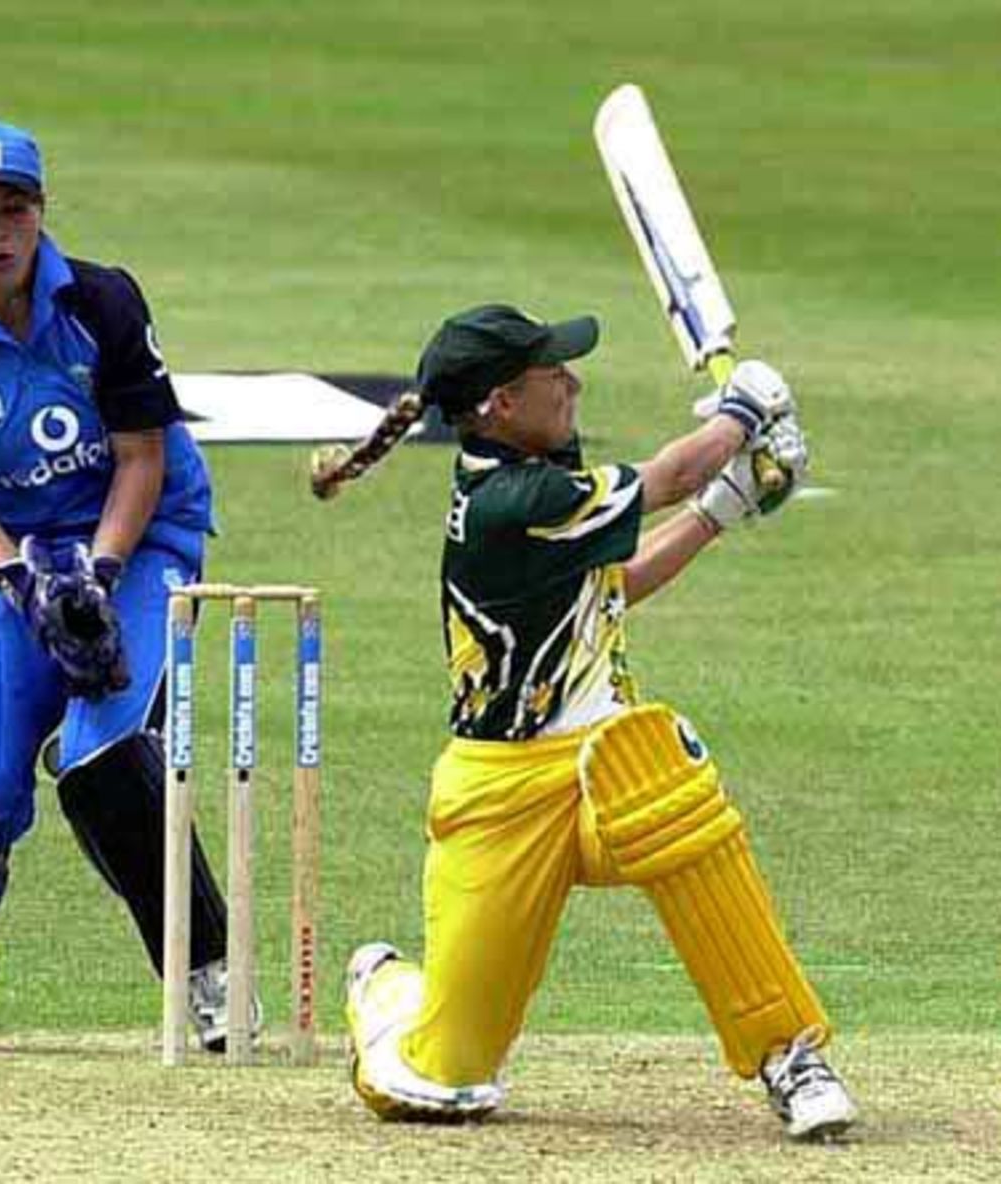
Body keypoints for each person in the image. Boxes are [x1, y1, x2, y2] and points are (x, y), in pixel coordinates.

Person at [311, 304, 856, 1141]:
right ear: (498, 404)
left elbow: (613, 587)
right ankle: (386, 992)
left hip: (604, 768)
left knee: (667, 785)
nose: (573, 381)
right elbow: (667, 475)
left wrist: (725, 504)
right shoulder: (510, 501)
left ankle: (788, 1052)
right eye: (550, 373)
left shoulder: (534, 478)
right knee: (440, 1087)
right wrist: (743, 415)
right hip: (500, 795)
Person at [0, 120, 252, 1052]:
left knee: (102, 760)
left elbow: (143, 461)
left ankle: (209, 972)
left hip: (141, 544)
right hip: (6, 559)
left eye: (14, 208)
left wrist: (98, 575)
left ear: (40, 212)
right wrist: (26, 582)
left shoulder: (102, 302)